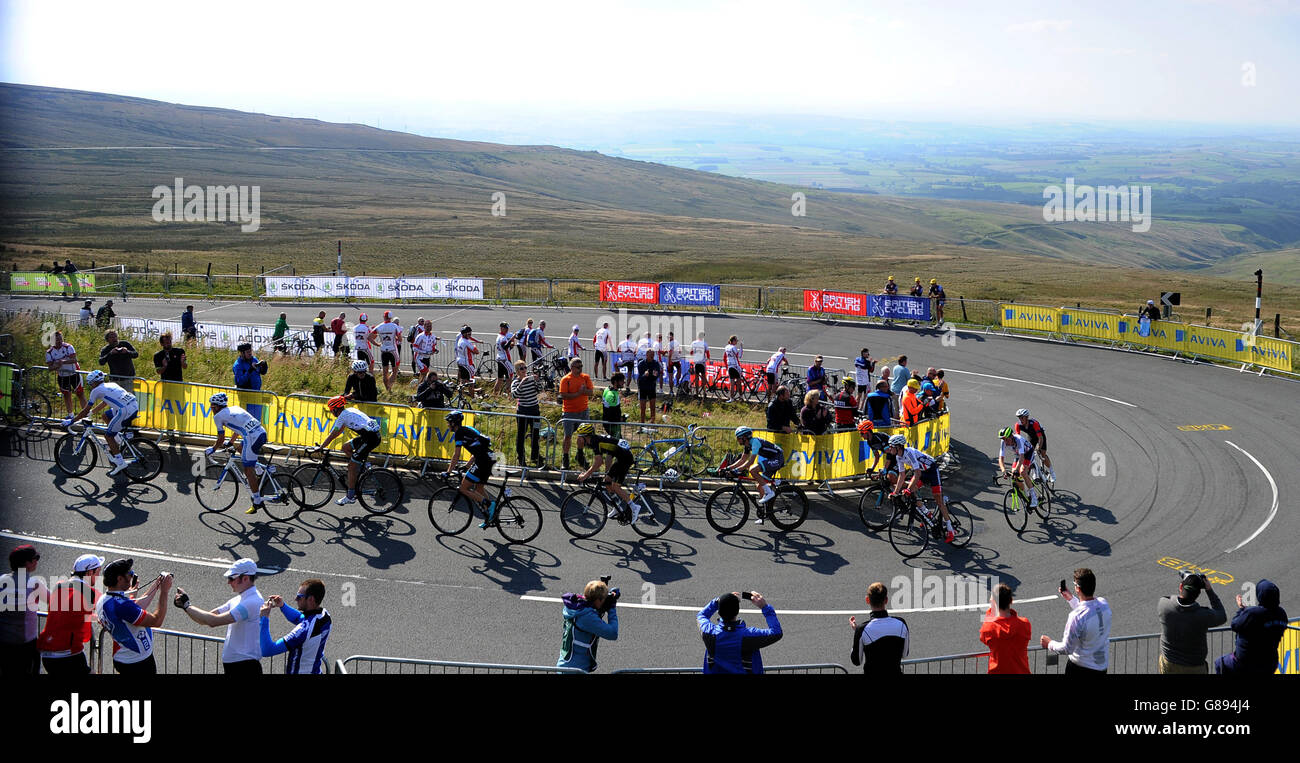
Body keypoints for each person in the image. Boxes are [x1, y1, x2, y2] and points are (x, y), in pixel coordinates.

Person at [172, 559, 265, 675]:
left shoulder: (251, 602)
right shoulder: (239, 599)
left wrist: (187, 605)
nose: (228, 582)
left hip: (245, 667)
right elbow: (206, 619)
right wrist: (185, 607)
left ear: (245, 578)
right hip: (237, 665)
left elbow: (214, 621)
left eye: (232, 578)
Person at [95, 558, 173, 675]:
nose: (132, 576)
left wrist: (156, 585)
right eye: (130, 573)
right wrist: (164, 591)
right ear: (119, 579)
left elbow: (133, 611)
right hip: (138, 663)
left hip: (123, 658)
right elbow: (157, 621)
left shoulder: (104, 600)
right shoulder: (122, 605)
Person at [62, 370, 138, 476]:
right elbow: (105, 402)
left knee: (108, 436)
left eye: (90, 384)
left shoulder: (96, 390)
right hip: (133, 406)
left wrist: (71, 421)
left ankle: (120, 463)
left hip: (124, 411)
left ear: (94, 382)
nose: (90, 386)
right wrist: (92, 412)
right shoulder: (111, 384)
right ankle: (118, 441)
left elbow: (84, 410)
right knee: (105, 416)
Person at [206, 392, 271, 515]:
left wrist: (213, 449)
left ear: (219, 406)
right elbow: (239, 428)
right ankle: (260, 471)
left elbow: (220, 439)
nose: (211, 409)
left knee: (247, 470)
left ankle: (257, 501)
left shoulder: (218, 417)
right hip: (261, 433)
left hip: (252, 438)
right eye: (211, 406)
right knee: (240, 449)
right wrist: (231, 442)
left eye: (213, 407)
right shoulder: (235, 408)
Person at [38, 554, 103, 675]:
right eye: (98, 572)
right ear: (89, 573)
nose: (99, 576)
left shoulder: (59, 586)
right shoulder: (89, 593)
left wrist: (93, 617)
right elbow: (113, 606)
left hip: (47, 653)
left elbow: (69, 614)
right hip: (67, 654)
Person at [1040, 567, 1112, 675]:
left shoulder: (1076, 616)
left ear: (1077, 588)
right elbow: (1088, 613)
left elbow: (1066, 648)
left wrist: (1049, 643)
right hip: (1101, 668)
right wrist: (1071, 599)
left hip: (1080, 668)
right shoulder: (1104, 604)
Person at [885, 433, 955, 543]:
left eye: (891, 446)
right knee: (912, 493)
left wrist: (908, 489)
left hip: (931, 470)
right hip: (922, 472)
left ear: (898, 446)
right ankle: (928, 514)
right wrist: (895, 492)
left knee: (938, 500)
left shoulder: (909, 453)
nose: (889, 449)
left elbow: (917, 474)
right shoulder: (898, 456)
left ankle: (950, 529)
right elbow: (902, 475)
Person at [316, 395, 383, 506]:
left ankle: (350, 496)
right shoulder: (349, 411)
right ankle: (363, 464)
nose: (331, 412)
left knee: (351, 466)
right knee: (345, 447)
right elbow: (338, 431)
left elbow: (333, 434)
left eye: (331, 410)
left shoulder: (343, 416)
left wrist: (321, 447)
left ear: (335, 409)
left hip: (370, 439)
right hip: (369, 436)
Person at [1156, 571, 1226, 674]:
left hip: (1168, 663)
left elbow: (1174, 600)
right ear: (1199, 593)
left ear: (1181, 587)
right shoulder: (1203, 615)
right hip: (1194, 667)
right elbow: (1222, 615)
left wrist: (1188, 580)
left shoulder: (1164, 604)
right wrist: (1209, 590)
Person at [258, 578, 332, 674]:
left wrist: (264, 618)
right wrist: (282, 606)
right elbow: (300, 618)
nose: (295, 599)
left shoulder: (303, 631)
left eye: (299, 597)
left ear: (311, 599)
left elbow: (267, 650)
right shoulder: (324, 616)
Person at [698, 591, 782, 674]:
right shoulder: (748, 636)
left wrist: (719, 601)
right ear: (737, 611)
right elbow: (776, 632)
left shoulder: (709, 633)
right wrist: (765, 607)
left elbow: (702, 615)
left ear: (719, 612)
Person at [1215, 579, 1288, 675]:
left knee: (1220, 664)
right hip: (1269, 662)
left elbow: (1235, 624)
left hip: (1246, 661)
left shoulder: (1253, 613)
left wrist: (1241, 610)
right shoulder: (1281, 613)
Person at [442, 409, 499, 528]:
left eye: (449, 422)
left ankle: (489, 504)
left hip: (483, 460)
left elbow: (456, 455)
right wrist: (467, 466)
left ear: (454, 423)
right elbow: (478, 448)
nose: (448, 425)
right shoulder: (469, 429)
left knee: (463, 488)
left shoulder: (458, 434)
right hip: (490, 457)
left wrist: (448, 472)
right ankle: (490, 516)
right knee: (479, 489)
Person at [574, 422, 640, 518]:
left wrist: (586, 475)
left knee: (615, 486)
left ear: (585, 436)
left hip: (625, 458)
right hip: (620, 456)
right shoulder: (594, 440)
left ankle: (634, 507)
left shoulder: (594, 442)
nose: (578, 439)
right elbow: (601, 460)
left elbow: (599, 462)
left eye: (580, 437)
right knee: (607, 481)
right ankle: (617, 507)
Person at [0, 544, 47, 675]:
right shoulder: (34, 584)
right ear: (27, 563)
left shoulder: (2, 580)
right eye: (35, 558)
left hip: (4, 642)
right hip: (26, 645)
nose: (37, 561)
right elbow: (54, 600)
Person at [558, 579, 619, 673]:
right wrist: (612, 608)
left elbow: (592, 609)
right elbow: (613, 633)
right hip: (576, 669)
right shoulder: (587, 618)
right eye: (603, 599)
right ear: (598, 600)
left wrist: (603, 603)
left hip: (566, 665)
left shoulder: (576, 607)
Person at [849, 581, 909, 674]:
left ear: (867, 600)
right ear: (886, 600)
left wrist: (857, 632)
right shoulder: (901, 624)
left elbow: (856, 661)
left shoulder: (862, 630)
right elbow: (905, 654)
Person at [729, 426, 784, 517]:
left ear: (745, 437)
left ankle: (770, 493)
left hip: (778, 458)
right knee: (759, 486)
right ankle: (765, 512)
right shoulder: (747, 445)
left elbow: (750, 462)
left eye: (738, 438)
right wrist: (728, 468)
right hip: (771, 458)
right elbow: (742, 460)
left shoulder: (755, 442)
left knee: (753, 470)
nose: (737, 440)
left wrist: (736, 470)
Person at [979, 583, 1031, 674]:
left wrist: (991, 612)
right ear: (1011, 601)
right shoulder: (1024, 624)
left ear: (994, 603)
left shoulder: (988, 627)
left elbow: (983, 638)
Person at [559, 358, 594, 470]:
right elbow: (564, 395)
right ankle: (565, 458)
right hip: (569, 412)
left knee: (582, 435)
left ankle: (580, 455)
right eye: (578, 367)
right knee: (568, 436)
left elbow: (591, 392)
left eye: (581, 366)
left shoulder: (585, 377)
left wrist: (583, 392)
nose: (580, 369)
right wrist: (579, 393)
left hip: (583, 411)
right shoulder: (565, 379)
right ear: (572, 368)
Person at [997, 426, 1042, 510]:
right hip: (1018, 454)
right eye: (1003, 439)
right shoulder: (1003, 442)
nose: (1005, 441)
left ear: (1011, 436)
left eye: (1006, 439)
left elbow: (1022, 457)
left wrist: (1017, 469)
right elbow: (1001, 458)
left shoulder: (1018, 440)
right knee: (1014, 475)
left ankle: (1034, 497)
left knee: (1022, 471)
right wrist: (1003, 471)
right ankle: (1026, 495)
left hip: (1028, 453)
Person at [46, 329, 86, 416]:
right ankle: (70, 415)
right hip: (62, 376)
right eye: (57, 340)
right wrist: (56, 366)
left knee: (80, 394)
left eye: (60, 339)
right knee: (67, 395)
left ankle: (86, 415)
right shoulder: (49, 352)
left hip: (74, 374)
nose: (59, 341)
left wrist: (63, 361)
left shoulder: (68, 347)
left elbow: (74, 360)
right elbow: (50, 367)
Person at [510, 359, 543, 467]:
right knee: (521, 435)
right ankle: (521, 457)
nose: (524, 370)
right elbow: (514, 395)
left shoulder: (531, 379)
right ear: (517, 371)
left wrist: (537, 381)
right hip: (523, 411)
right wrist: (522, 383)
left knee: (535, 433)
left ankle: (535, 455)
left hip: (534, 410)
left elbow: (539, 390)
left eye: (525, 368)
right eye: (521, 368)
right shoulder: (515, 382)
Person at [1015, 409, 1056, 483]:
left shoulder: (1034, 423)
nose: (1020, 419)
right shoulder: (1018, 425)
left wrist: (1038, 448)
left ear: (1026, 417)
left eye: (1022, 417)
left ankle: (1052, 472)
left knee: (1042, 454)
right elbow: (1018, 438)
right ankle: (1034, 472)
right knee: (1029, 454)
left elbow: (1040, 438)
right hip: (1031, 437)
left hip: (1040, 437)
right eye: (1019, 418)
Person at [232, 342, 267, 422]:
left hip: (256, 394)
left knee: (257, 420)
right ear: (242, 353)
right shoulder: (238, 365)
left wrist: (263, 368)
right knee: (246, 421)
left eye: (251, 351)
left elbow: (260, 372)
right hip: (246, 395)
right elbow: (240, 381)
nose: (250, 353)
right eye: (248, 352)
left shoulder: (254, 359)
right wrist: (250, 370)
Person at [374, 312, 402, 393]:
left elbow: (370, 337)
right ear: (391, 318)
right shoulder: (394, 326)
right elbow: (400, 339)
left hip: (383, 350)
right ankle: (389, 388)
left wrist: (377, 344)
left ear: (384, 317)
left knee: (385, 372)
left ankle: (387, 389)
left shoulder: (380, 326)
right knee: (395, 371)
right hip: (392, 350)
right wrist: (395, 338)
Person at [637, 347, 661, 423]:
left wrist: (653, 375)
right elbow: (640, 377)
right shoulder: (641, 364)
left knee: (652, 406)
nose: (652, 357)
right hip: (643, 387)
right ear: (646, 355)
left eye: (653, 355)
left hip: (651, 386)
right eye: (651, 355)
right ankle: (642, 423)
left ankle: (652, 422)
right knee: (643, 407)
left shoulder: (656, 363)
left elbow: (656, 375)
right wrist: (645, 375)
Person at [493, 322, 516, 396]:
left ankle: (495, 395)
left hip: (500, 358)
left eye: (507, 328)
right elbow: (505, 347)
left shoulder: (500, 336)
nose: (506, 330)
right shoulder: (502, 338)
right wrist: (512, 339)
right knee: (509, 376)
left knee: (500, 378)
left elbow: (507, 348)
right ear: (501, 328)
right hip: (505, 360)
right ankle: (509, 394)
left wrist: (511, 345)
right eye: (505, 328)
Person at [602, 372, 625, 439]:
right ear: (615, 382)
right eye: (622, 381)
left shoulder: (608, 389)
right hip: (612, 424)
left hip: (611, 422)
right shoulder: (611, 395)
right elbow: (612, 412)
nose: (623, 382)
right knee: (618, 444)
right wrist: (621, 419)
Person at [853, 348, 875, 413]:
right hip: (865, 381)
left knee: (859, 395)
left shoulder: (857, 359)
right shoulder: (867, 362)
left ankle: (855, 408)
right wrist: (872, 363)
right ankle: (861, 409)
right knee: (865, 396)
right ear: (863, 353)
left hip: (859, 381)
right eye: (867, 353)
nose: (868, 354)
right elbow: (871, 370)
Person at [723, 335, 743, 402]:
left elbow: (724, 358)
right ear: (733, 341)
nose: (736, 342)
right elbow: (739, 356)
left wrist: (726, 366)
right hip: (735, 366)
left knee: (731, 384)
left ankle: (731, 398)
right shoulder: (733, 347)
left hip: (730, 366)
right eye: (736, 341)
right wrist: (741, 347)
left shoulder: (726, 347)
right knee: (738, 383)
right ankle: (741, 397)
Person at [689, 331, 710, 397]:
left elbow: (691, 352)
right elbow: (708, 353)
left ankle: (697, 393)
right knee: (703, 378)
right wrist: (708, 359)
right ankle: (704, 392)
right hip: (702, 363)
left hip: (696, 362)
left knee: (696, 378)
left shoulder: (693, 343)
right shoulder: (705, 344)